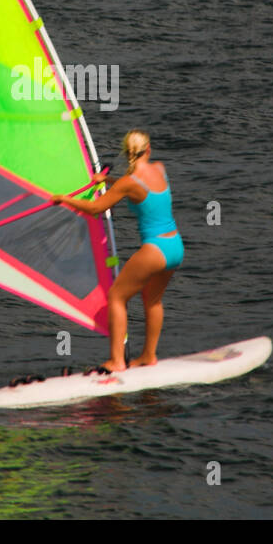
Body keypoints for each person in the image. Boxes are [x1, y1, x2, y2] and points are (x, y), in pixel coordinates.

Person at [53, 129, 183, 372]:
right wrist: (110, 182)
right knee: (152, 299)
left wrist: (65, 200)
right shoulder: (160, 169)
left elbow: (95, 209)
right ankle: (148, 356)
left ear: (126, 152)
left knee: (116, 297)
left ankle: (116, 361)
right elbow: (134, 188)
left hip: (155, 250)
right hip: (175, 245)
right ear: (149, 150)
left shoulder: (128, 183)